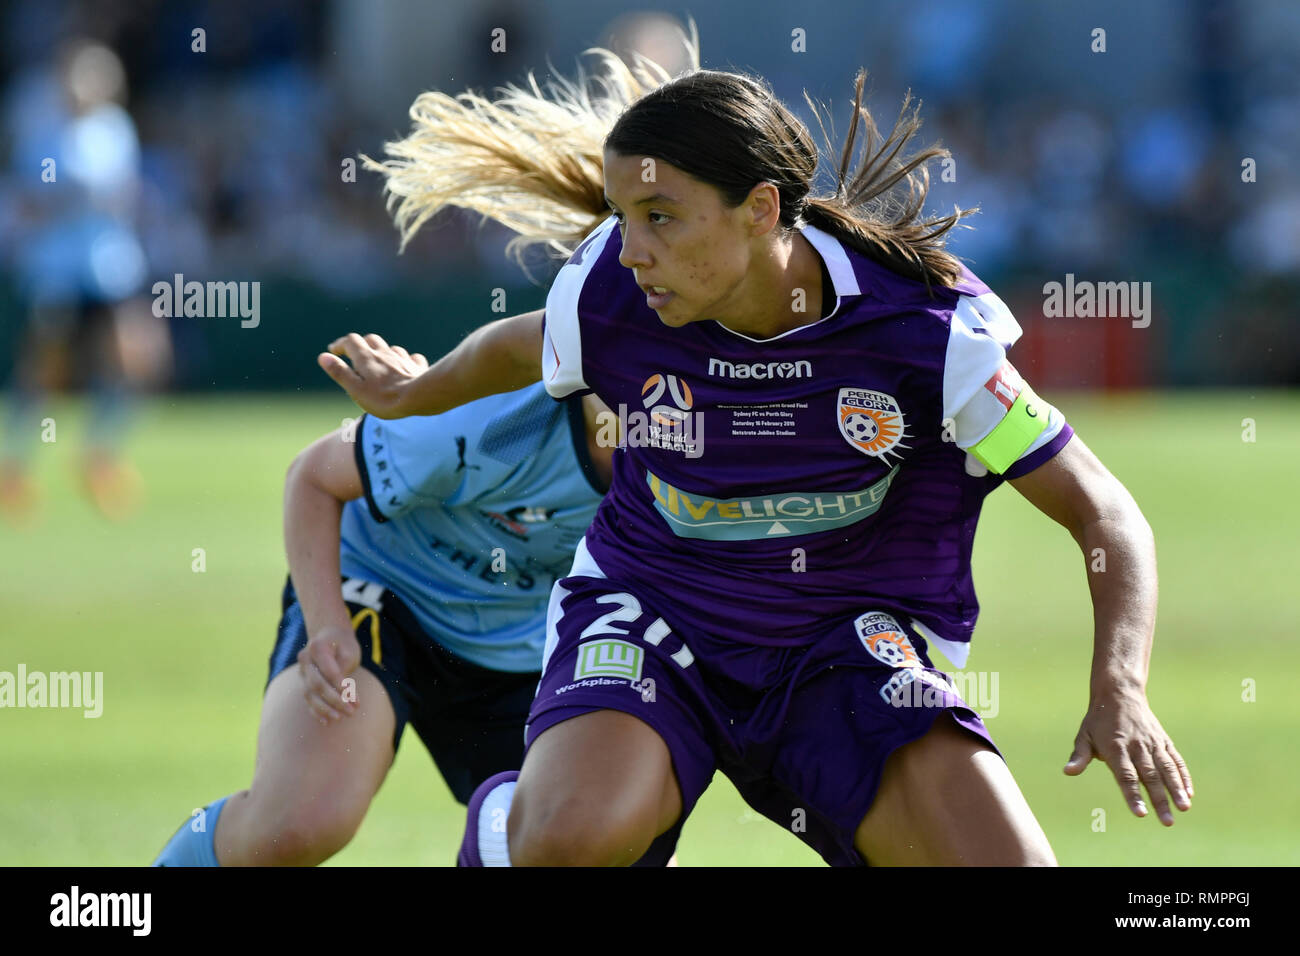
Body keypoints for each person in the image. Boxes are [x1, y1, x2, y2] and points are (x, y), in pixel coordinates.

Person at [319, 46, 1193, 866]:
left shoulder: (927, 337)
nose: (631, 250)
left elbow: (1102, 511)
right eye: (623, 217)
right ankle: (509, 822)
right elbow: (519, 344)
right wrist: (413, 392)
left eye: (660, 218)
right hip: (653, 609)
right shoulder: (610, 293)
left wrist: (1120, 685)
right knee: (567, 841)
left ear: (762, 209)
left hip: (844, 645)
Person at [153, 380, 612, 865]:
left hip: (527, 644)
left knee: (602, 840)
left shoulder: (667, 464)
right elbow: (313, 476)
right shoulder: (497, 413)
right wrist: (328, 624)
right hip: (382, 594)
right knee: (296, 823)